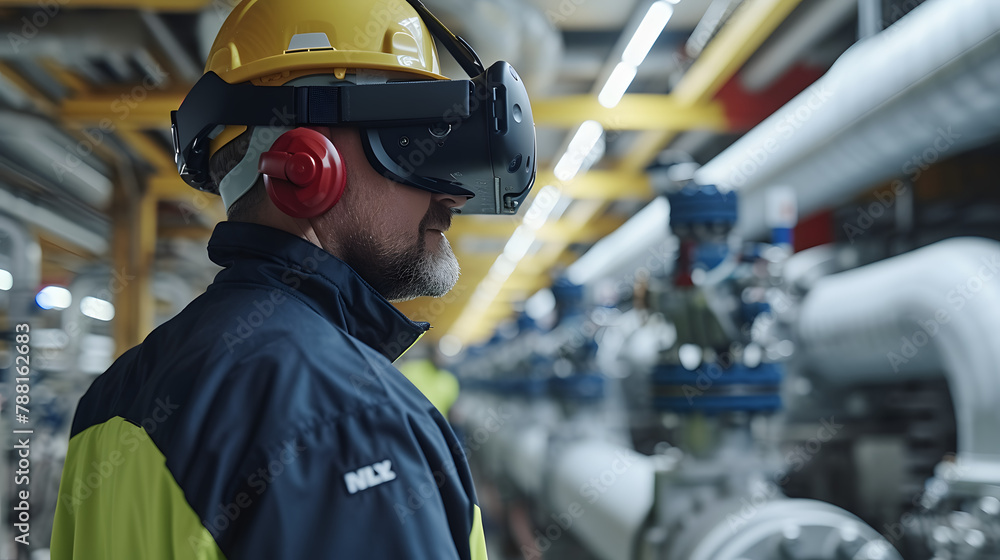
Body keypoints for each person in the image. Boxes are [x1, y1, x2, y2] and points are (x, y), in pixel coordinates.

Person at [50, 0, 535, 557]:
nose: (452, 193)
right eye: (411, 142)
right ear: (309, 165)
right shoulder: (350, 417)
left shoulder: (110, 399)